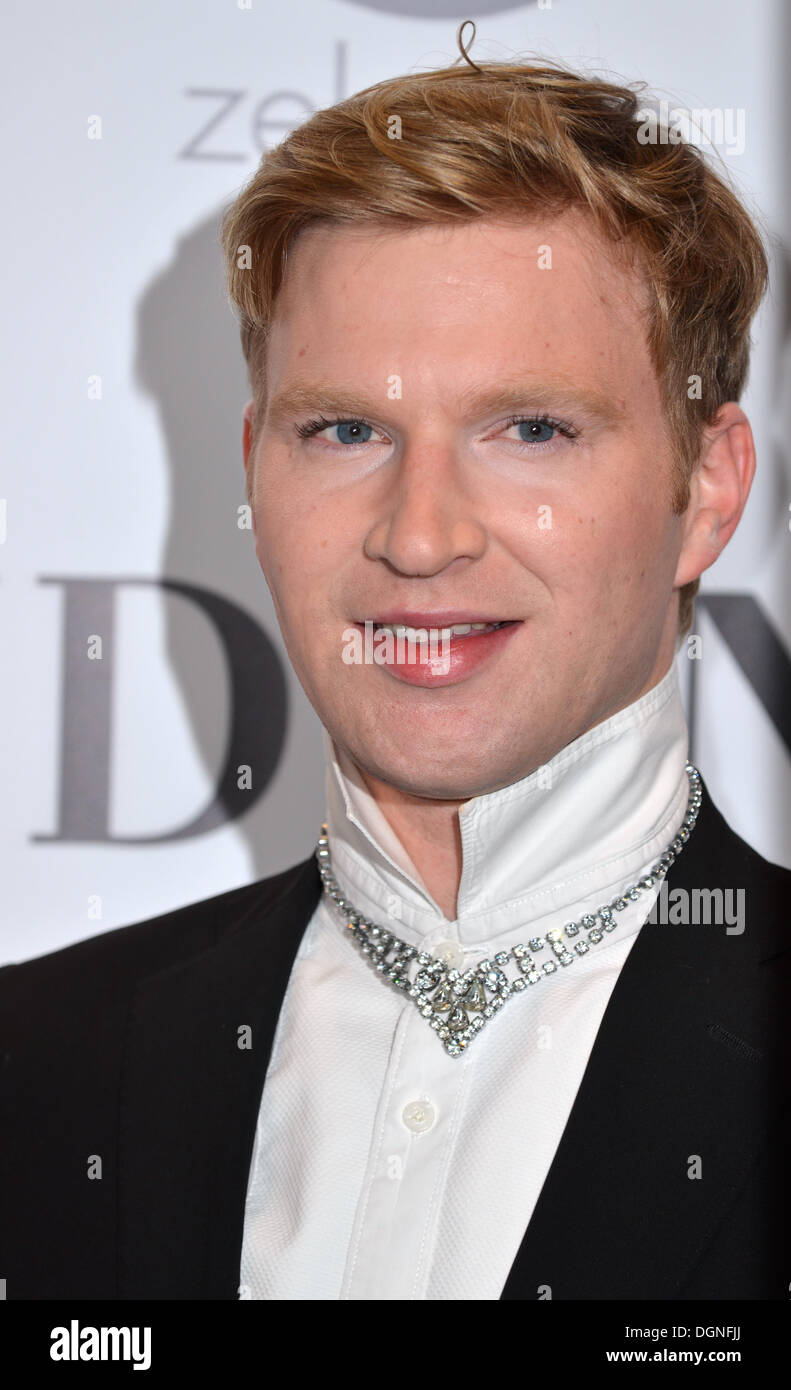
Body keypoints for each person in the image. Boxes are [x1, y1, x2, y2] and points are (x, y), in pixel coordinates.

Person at [1, 28, 788, 1301]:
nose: (418, 535)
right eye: (345, 429)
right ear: (256, 461)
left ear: (704, 488)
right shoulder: (36, 1062)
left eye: (530, 428)